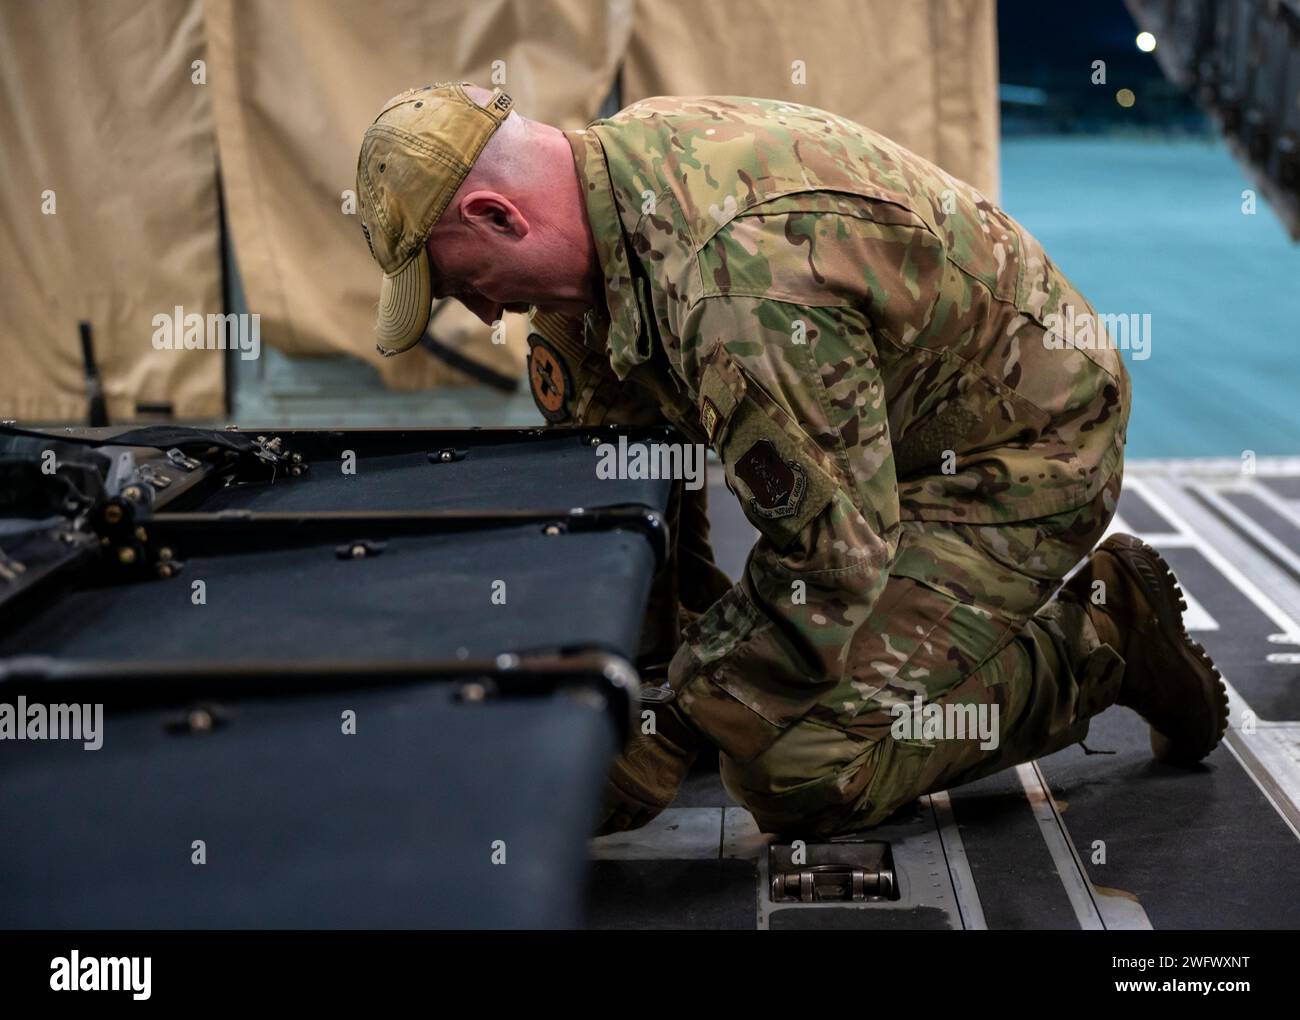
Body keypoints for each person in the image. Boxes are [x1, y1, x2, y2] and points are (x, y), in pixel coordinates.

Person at [355, 82, 1228, 837]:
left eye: (462, 283)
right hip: (891, 442)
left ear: (498, 215)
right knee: (582, 359)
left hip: (1019, 452)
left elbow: (836, 559)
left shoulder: (739, 287)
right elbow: (627, 453)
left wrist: (673, 728)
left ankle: (1106, 637)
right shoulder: (617, 173)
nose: (478, 314)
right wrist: (646, 678)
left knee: (798, 771)